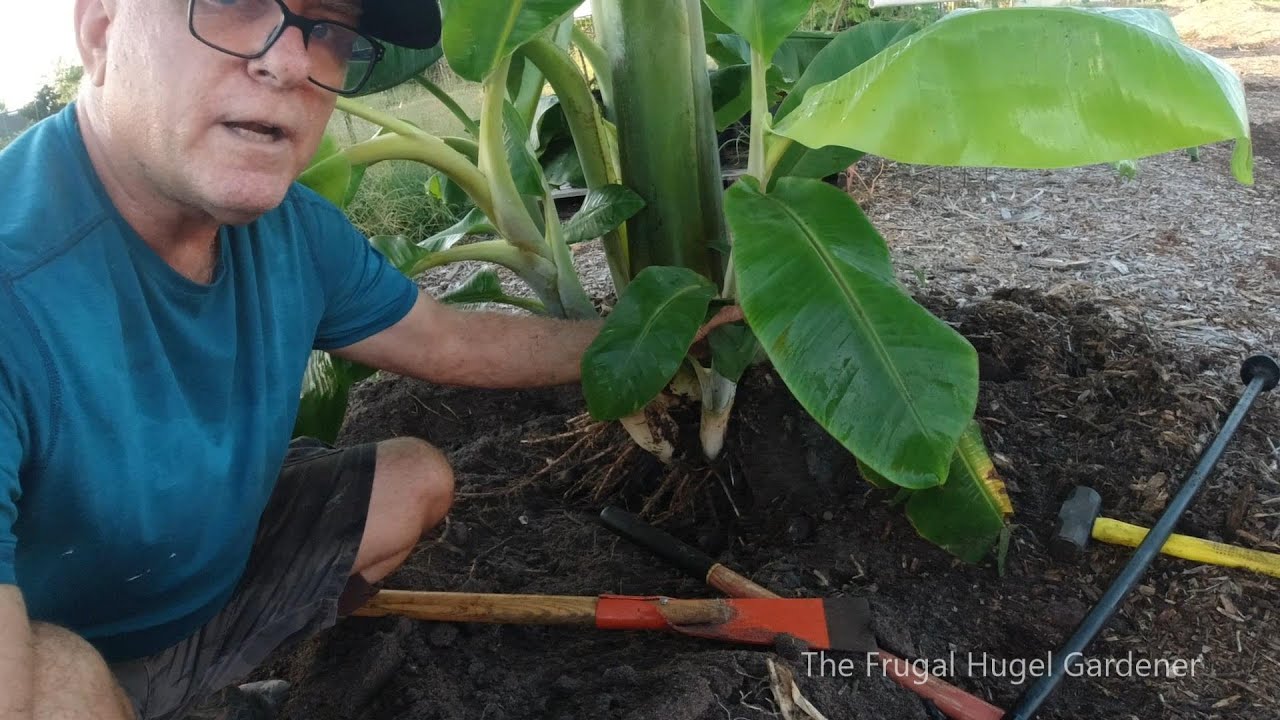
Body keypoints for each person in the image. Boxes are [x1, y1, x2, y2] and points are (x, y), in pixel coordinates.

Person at [0, 1, 737, 718]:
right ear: (99, 29)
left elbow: (445, 339)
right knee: (58, 683)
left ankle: (192, 687)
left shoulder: (292, 231)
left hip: (196, 583)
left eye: (328, 28)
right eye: (228, 3)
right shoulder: (17, 285)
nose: (290, 60)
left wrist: (653, 339)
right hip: (62, 636)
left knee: (411, 481)